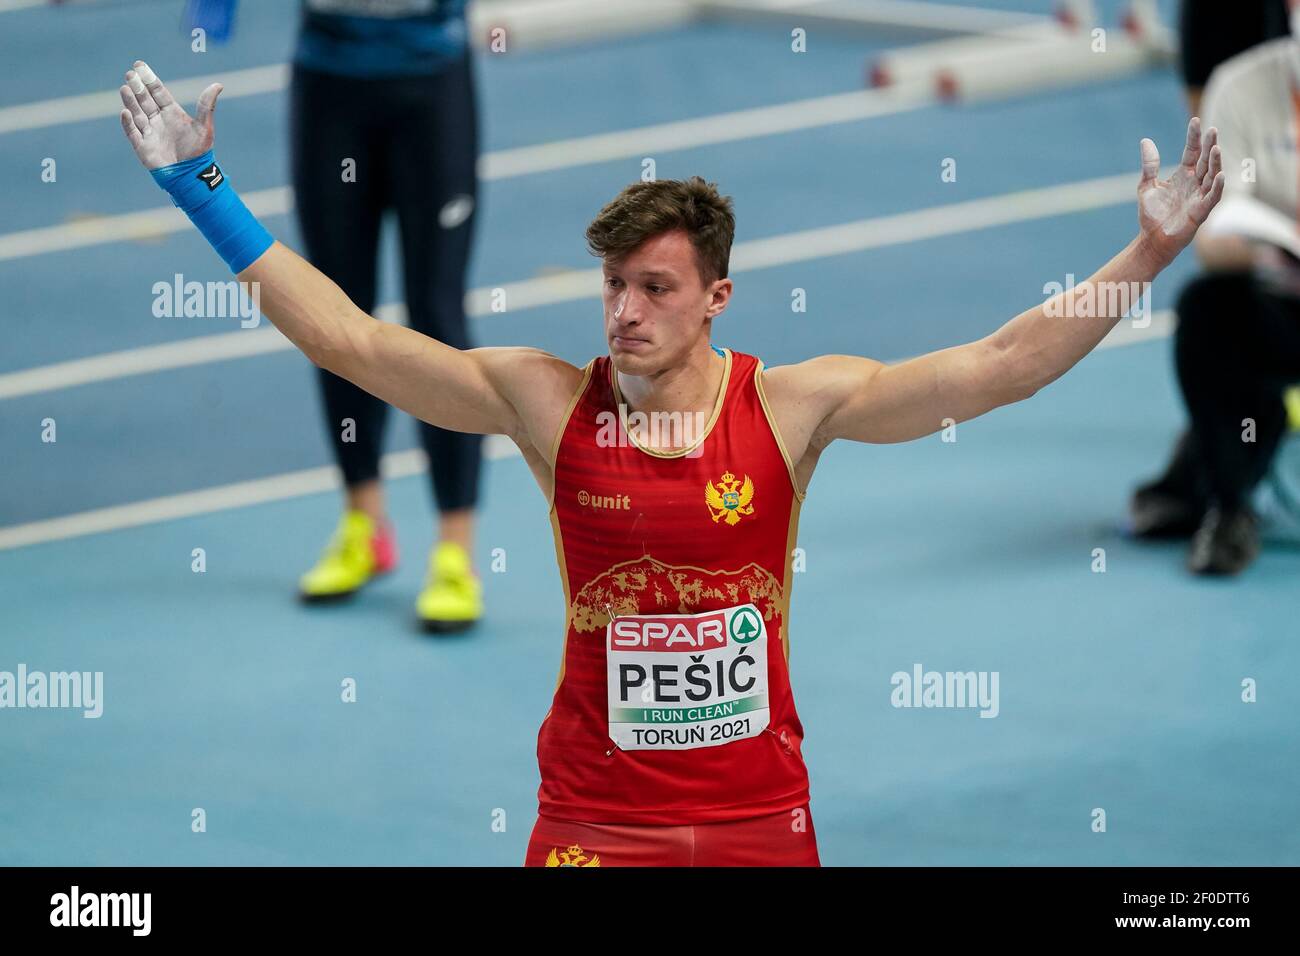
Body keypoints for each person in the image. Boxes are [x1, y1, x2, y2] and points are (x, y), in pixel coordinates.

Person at [114, 59, 1223, 865]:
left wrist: (1150, 251)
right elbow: (348, 339)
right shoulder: (545, 402)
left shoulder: (793, 408)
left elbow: (1001, 365)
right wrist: (198, 189)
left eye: (654, 288)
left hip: (758, 823)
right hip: (594, 823)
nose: (624, 311)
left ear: (716, 298)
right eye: (612, 286)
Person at [186, 0, 484, 628]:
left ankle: (455, 549)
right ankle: (364, 524)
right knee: (331, 313)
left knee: (437, 313)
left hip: (429, 80)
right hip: (330, 83)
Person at [1131, 0, 1300, 574]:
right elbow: (1214, 241)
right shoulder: (1242, 85)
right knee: (1207, 309)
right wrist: (1264, 248)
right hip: (1279, 299)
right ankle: (1229, 510)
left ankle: (1199, 471)